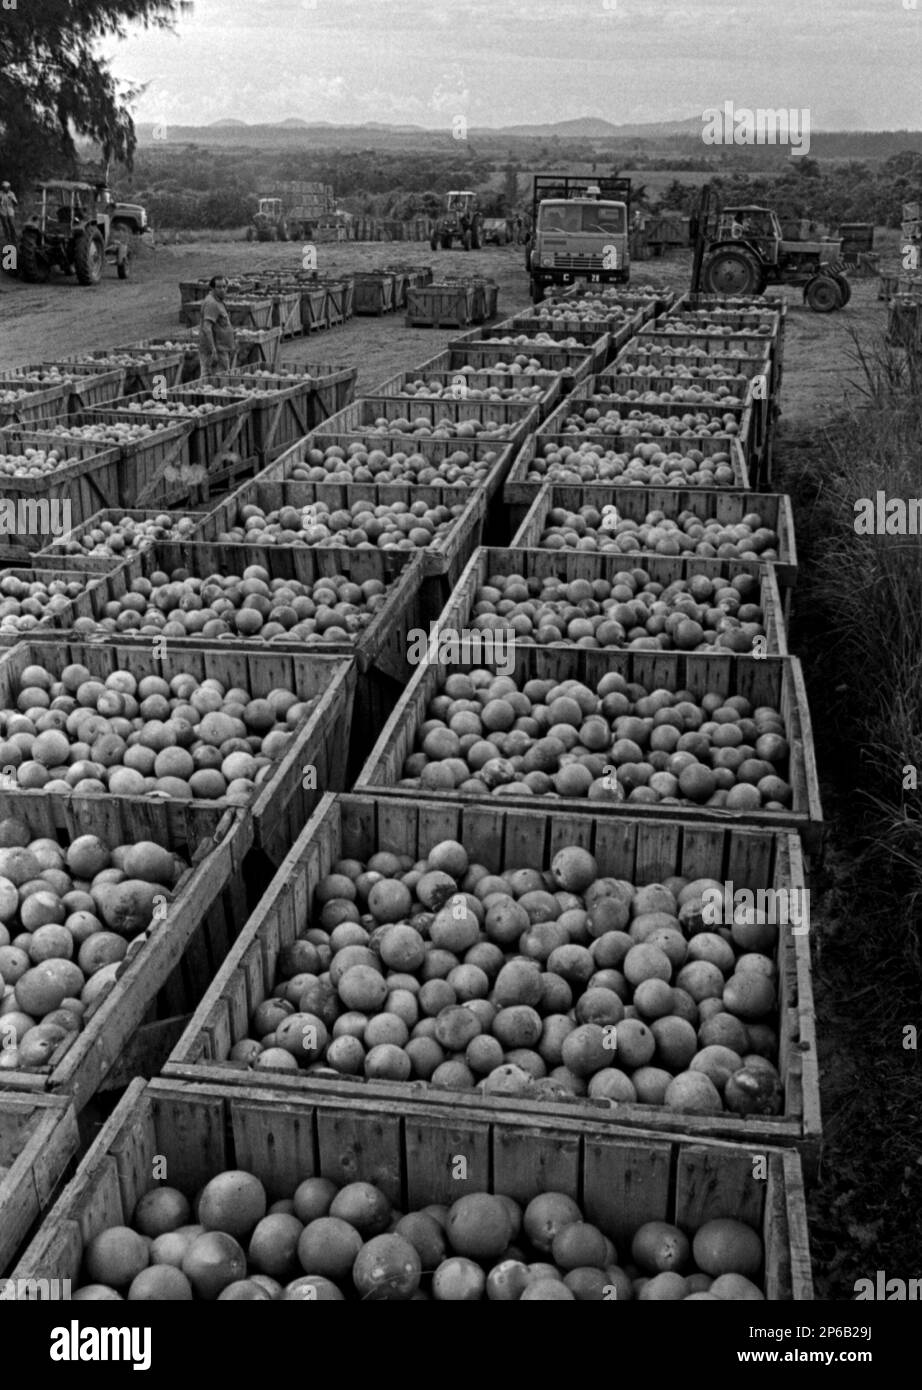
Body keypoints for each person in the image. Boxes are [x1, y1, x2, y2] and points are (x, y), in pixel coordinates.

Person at [199, 275, 235, 379]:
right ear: (212, 288)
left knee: (210, 379)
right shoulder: (212, 303)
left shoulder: (218, 301)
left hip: (221, 348)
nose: (222, 290)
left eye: (224, 286)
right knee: (218, 380)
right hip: (216, 350)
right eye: (219, 287)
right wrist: (213, 350)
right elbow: (206, 327)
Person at [0, 182, 18, 247]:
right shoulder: (0, 193)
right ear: (3, 188)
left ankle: (14, 239)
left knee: (12, 225)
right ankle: (8, 239)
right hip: (3, 212)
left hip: (10, 212)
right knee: (5, 226)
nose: (6, 189)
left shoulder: (11, 193)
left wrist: (12, 199)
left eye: (7, 187)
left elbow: (16, 204)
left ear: (9, 187)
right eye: (5, 187)